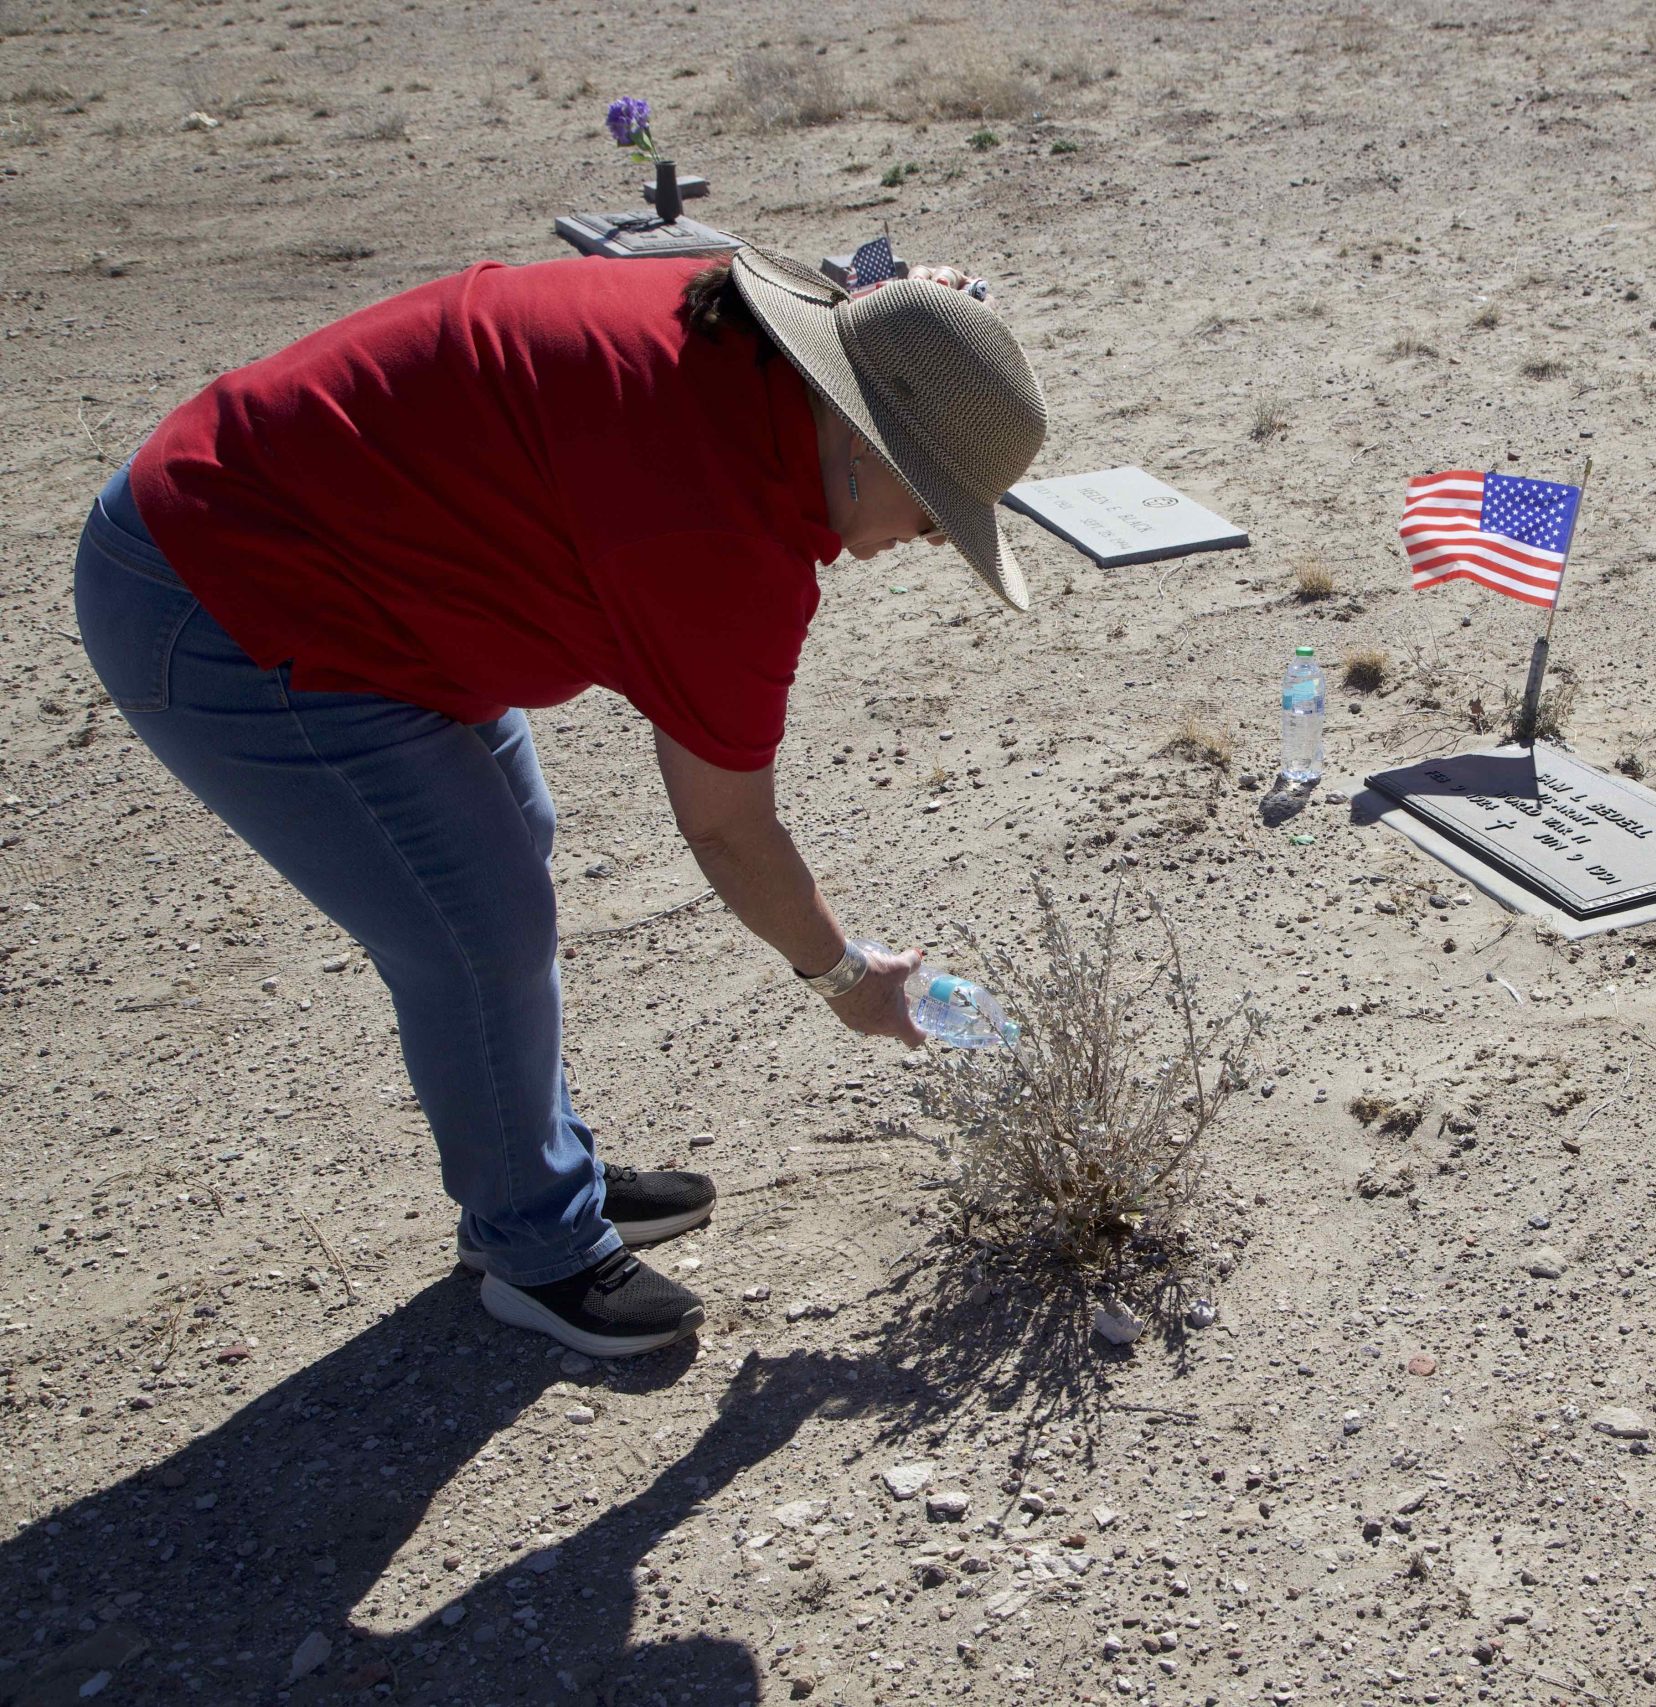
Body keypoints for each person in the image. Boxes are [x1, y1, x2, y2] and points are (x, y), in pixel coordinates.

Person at [72, 247, 1049, 1357]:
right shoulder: (721, 530)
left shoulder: (745, 341)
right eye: (931, 519)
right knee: (475, 928)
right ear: (864, 445)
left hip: (339, 551)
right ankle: (533, 1249)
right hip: (226, 592)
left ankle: (535, 1176)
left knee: (505, 849)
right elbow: (727, 828)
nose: (913, 549)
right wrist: (840, 977)